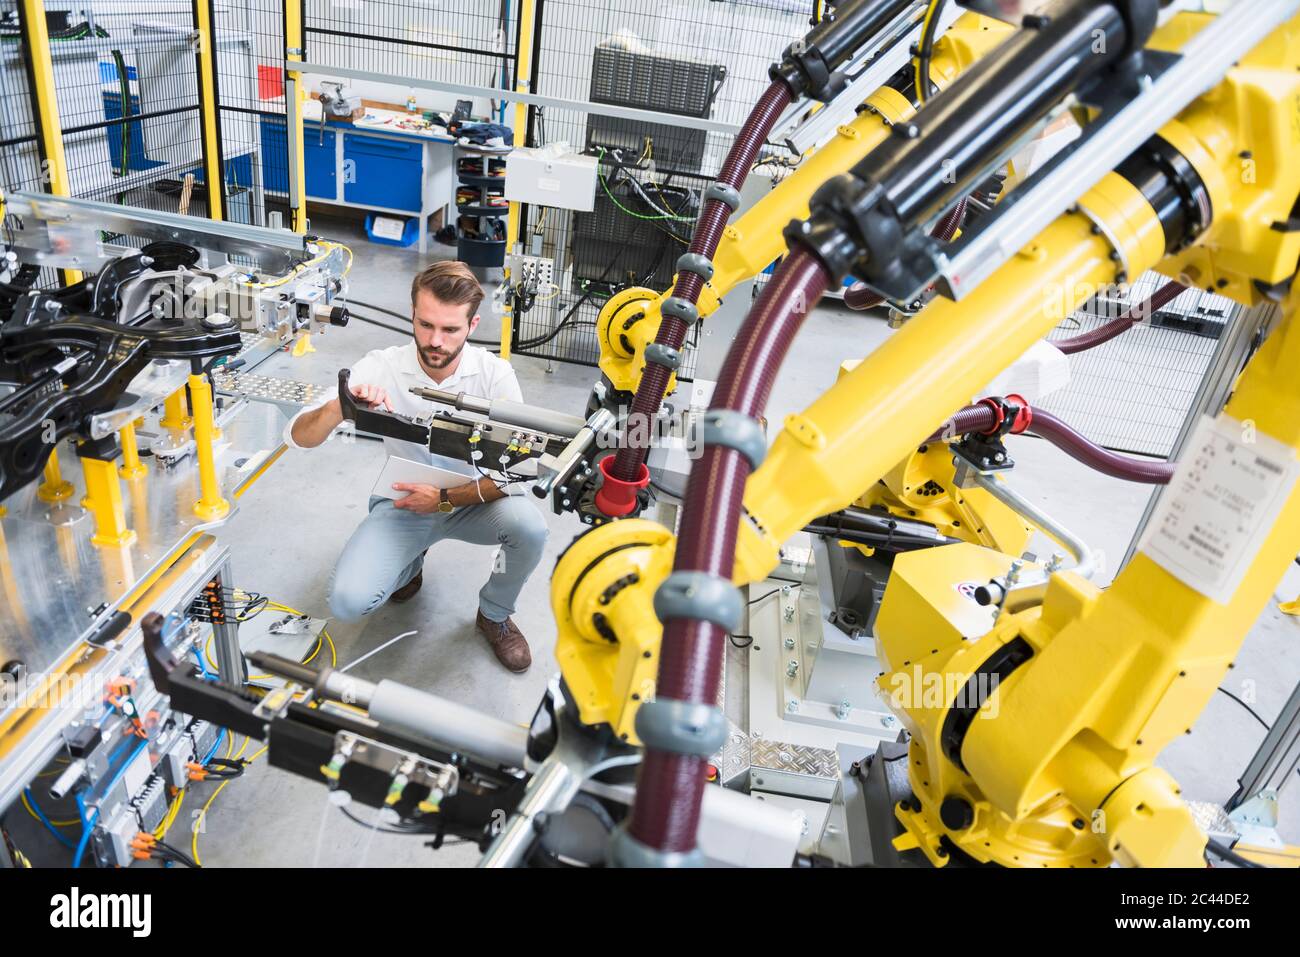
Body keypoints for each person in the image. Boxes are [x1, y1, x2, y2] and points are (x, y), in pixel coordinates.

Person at [285, 260, 547, 672]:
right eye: (425, 325)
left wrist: (444, 500)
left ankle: (494, 614)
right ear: (412, 314)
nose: (435, 341)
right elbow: (300, 437)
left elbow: (521, 469)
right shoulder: (382, 365)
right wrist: (343, 405)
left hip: (473, 500)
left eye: (450, 329)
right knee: (349, 603)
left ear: (473, 325)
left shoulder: (495, 376)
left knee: (530, 528)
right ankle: (411, 561)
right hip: (406, 501)